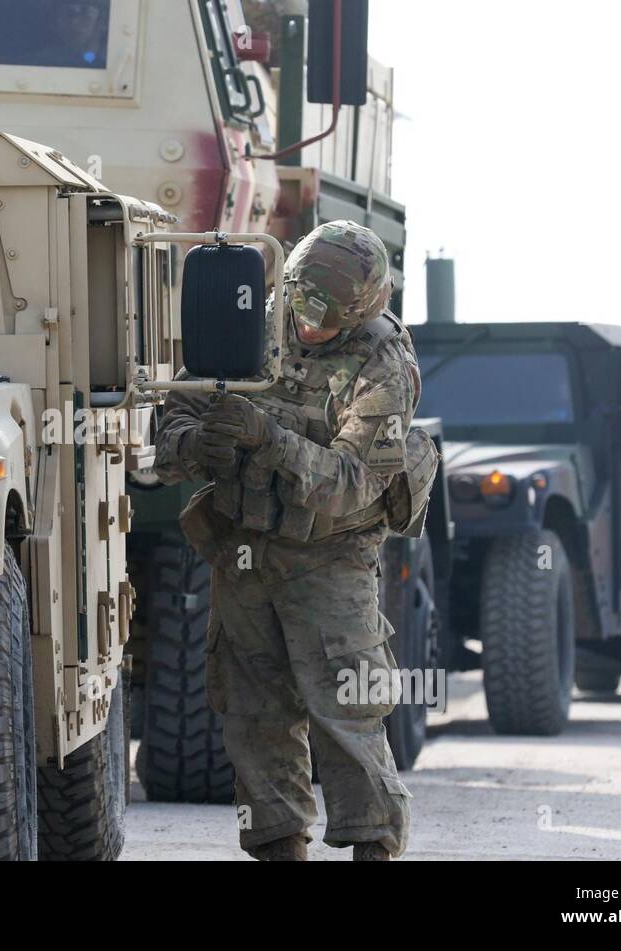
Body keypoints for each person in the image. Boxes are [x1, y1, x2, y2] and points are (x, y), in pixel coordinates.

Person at [154, 220, 424, 861]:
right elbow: (172, 426)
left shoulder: (384, 365)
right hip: (243, 551)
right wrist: (198, 442)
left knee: (347, 713)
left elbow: (351, 485)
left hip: (331, 557)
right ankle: (279, 848)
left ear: (362, 310)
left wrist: (264, 437)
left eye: (324, 318)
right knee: (253, 715)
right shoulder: (258, 320)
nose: (306, 328)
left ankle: (372, 847)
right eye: (300, 308)